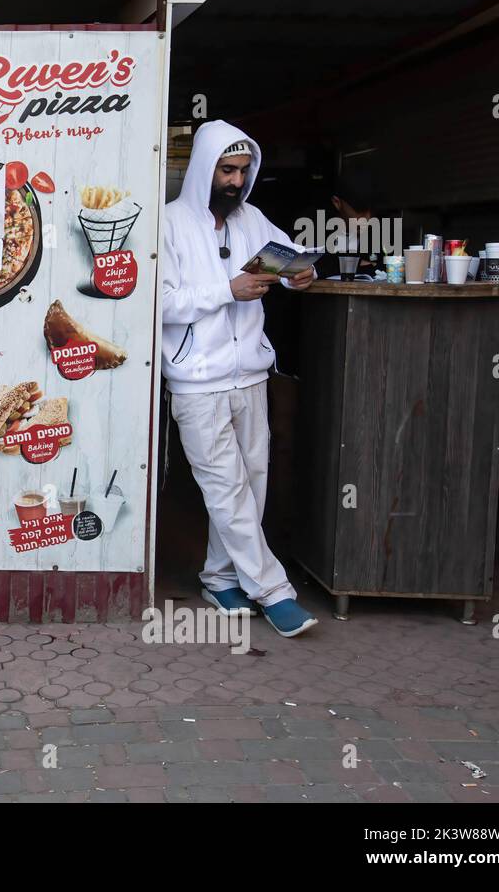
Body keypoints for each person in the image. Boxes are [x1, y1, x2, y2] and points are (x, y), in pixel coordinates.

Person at [160, 120, 319, 638]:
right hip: (196, 381)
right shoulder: (169, 224)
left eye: (244, 171)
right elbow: (159, 304)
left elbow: (288, 258)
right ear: (205, 169)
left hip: (250, 375)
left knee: (250, 486)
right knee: (226, 489)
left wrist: (300, 274)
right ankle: (274, 591)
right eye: (227, 170)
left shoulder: (253, 219)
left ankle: (220, 577)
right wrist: (227, 289)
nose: (236, 181)